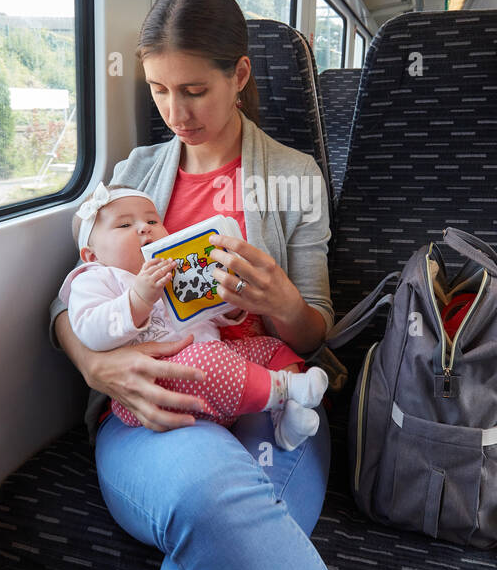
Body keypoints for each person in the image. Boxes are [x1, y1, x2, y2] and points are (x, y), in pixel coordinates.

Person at [47, 0, 351, 570]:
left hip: (272, 399)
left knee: (216, 542)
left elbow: (315, 333)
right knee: (216, 500)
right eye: (159, 90)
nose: (176, 113)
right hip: (154, 404)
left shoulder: (295, 178)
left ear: (238, 75)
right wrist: (95, 366)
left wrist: (282, 302)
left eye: (193, 91)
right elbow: (71, 296)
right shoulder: (132, 176)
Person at [59, 182, 328, 449]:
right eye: (124, 225)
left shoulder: (173, 268)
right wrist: (138, 299)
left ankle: (286, 417)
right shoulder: (94, 278)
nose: (144, 227)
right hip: (156, 385)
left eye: (152, 220)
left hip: (219, 372)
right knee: (205, 359)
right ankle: (284, 390)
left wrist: (231, 306)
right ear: (91, 255)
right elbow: (89, 330)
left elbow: (205, 315)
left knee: (271, 348)